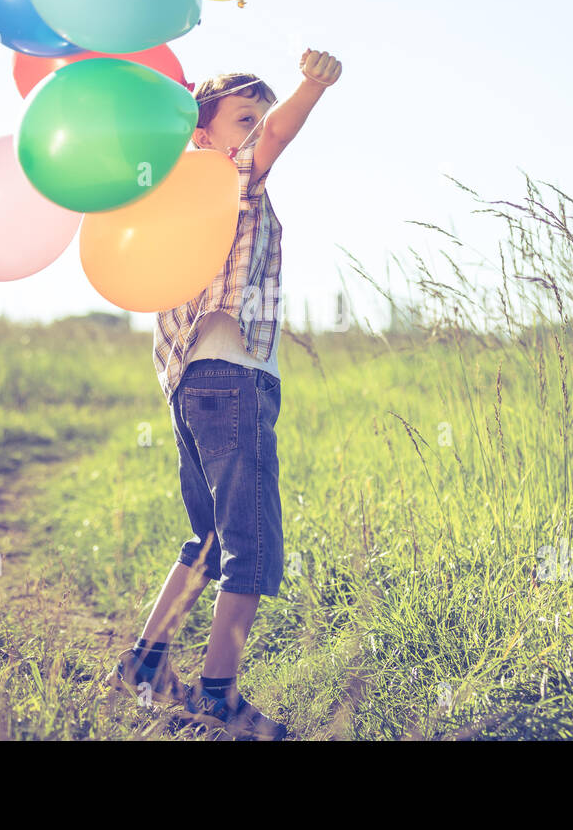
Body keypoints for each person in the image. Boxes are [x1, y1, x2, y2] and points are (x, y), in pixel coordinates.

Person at [106, 49, 342, 739]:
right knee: (252, 546)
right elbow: (276, 140)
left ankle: (145, 666)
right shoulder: (227, 178)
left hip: (192, 385)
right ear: (201, 135)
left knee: (209, 541)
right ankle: (217, 698)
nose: (261, 125)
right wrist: (310, 88)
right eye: (246, 116)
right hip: (231, 380)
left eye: (262, 113)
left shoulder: (175, 196)